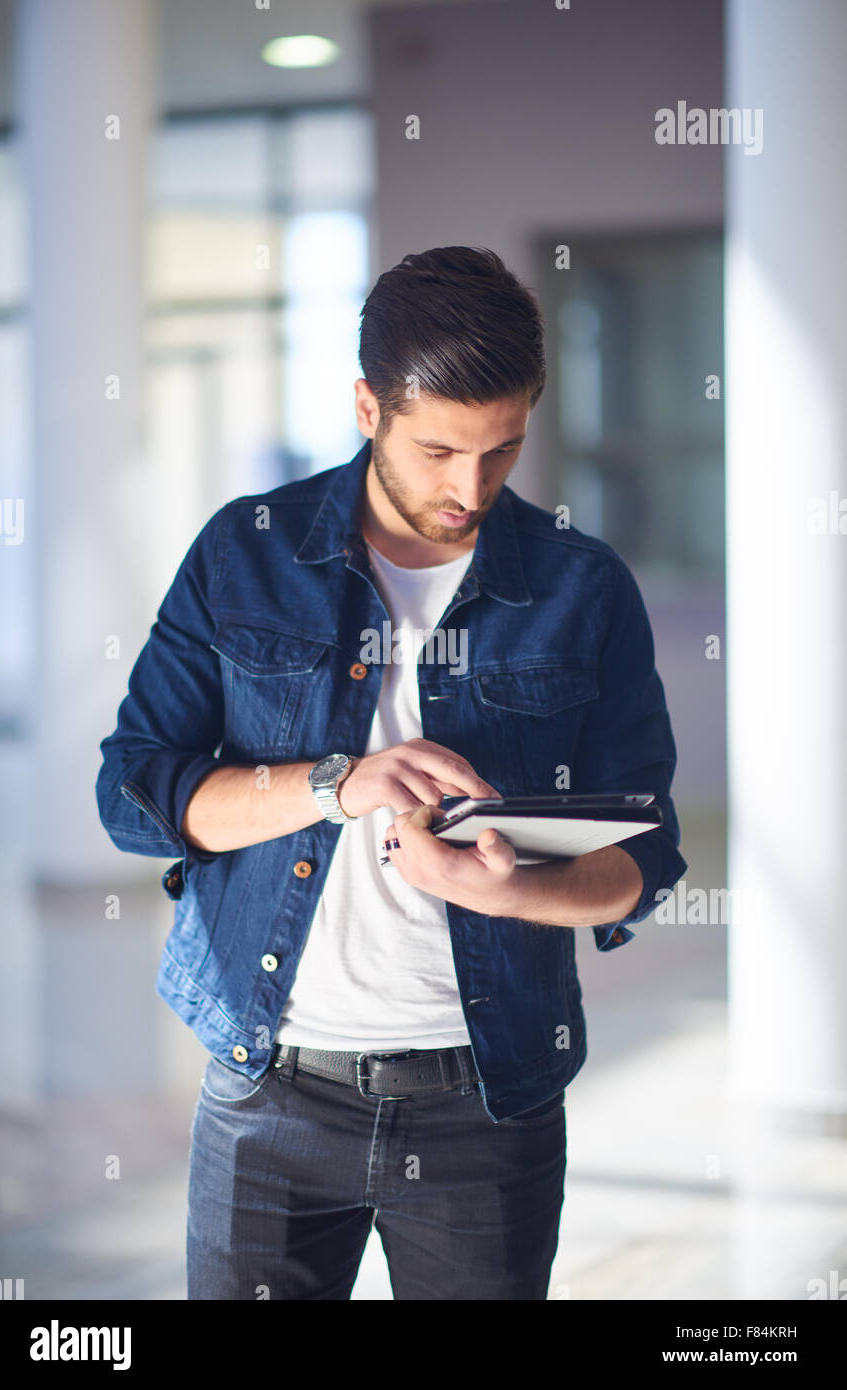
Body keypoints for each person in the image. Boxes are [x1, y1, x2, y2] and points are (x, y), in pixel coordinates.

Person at [96, 245, 687, 1300]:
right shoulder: (245, 553)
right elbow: (135, 792)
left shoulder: (580, 586)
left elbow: (646, 854)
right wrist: (337, 782)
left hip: (486, 1105)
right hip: (266, 1092)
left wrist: (515, 888)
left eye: (501, 450)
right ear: (368, 405)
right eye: (439, 450)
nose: (469, 489)